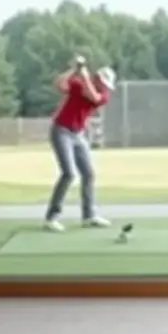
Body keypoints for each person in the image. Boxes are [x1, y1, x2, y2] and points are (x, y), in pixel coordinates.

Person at [43, 57, 116, 232]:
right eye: (103, 83)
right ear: (97, 79)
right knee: (68, 174)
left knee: (88, 174)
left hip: (78, 135)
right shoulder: (79, 84)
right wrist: (74, 70)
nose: (105, 87)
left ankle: (88, 216)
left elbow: (94, 97)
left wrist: (83, 74)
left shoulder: (102, 95)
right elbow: (59, 85)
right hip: (61, 131)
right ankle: (51, 217)